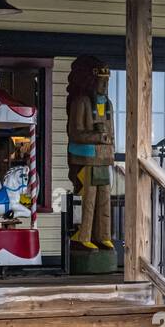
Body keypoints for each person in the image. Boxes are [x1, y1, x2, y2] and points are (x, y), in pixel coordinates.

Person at [66, 55, 115, 251]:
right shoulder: (81, 102)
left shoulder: (108, 105)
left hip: (103, 158)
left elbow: (110, 133)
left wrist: (109, 146)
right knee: (87, 199)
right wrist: (97, 137)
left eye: (106, 81)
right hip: (84, 157)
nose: (104, 86)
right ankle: (81, 235)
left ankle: (102, 235)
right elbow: (75, 132)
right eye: (100, 81)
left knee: (104, 201)